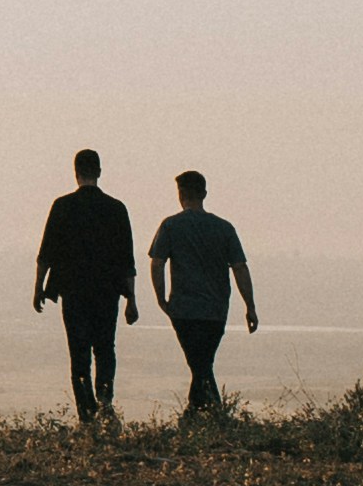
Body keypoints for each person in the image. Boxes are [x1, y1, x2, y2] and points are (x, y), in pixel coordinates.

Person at [32, 149, 138, 428]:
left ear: (75, 172)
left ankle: (86, 415)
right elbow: (127, 260)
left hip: (73, 291)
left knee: (78, 352)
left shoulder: (62, 206)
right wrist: (132, 299)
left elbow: (46, 253)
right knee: (105, 348)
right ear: (99, 172)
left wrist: (38, 287)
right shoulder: (116, 209)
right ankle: (105, 402)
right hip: (107, 292)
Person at [150, 169, 259, 412]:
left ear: (180, 194)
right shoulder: (224, 228)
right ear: (204, 194)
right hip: (215, 310)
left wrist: (161, 298)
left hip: (183, 309)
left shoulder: (170, 225)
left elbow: (157, 263)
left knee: (200, 365)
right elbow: (240, 267)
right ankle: (204, 414)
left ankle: (203, 414)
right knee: (202, 363)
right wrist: (250, 306)